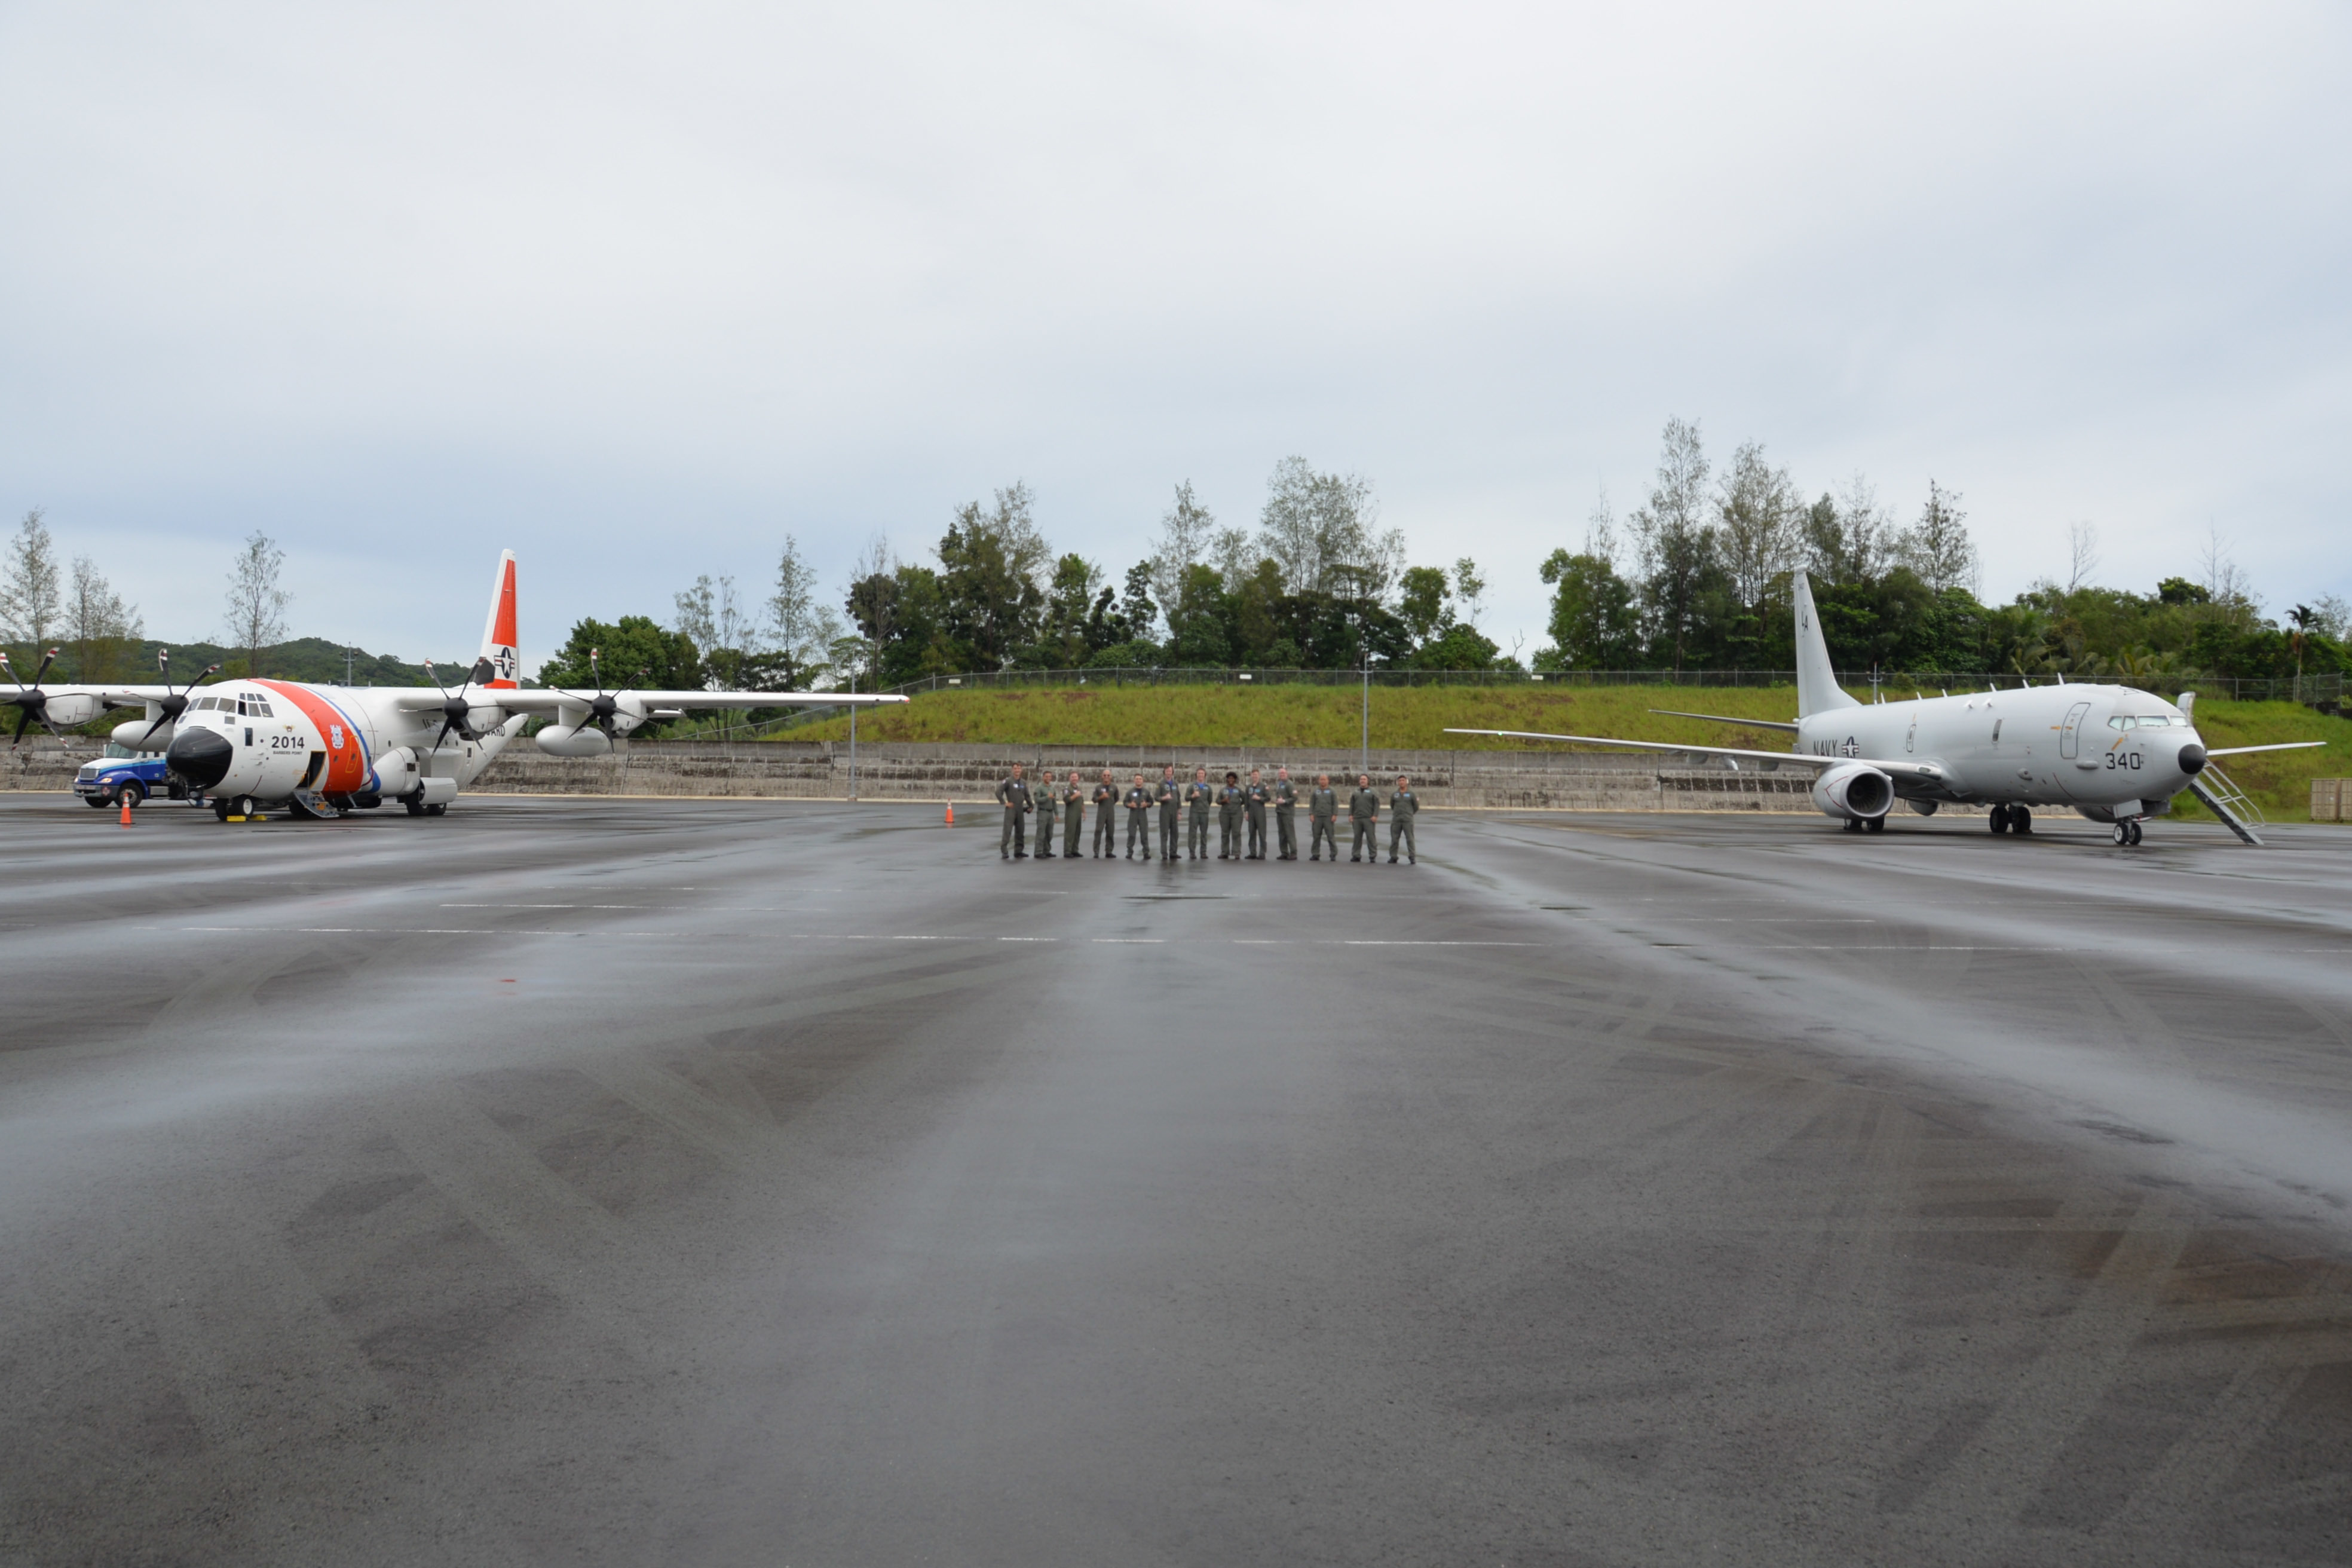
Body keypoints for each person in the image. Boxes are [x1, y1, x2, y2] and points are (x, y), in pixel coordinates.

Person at [994, 764, 1033, 860]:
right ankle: (1004, 851)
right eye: (1015, 768)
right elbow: (998, 792)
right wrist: (1004, 803)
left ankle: (1018, 851)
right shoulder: (1008, 781)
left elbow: (1027, 795)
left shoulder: (1023, 782)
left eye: (1019, 768)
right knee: (1007, 831)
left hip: (1020, 809)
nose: (1017, 770)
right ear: (1012, 770)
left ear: (1021, 770)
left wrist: (1031, 806)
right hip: (1011, 809)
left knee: (1020, 831)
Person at [1388, 774, 1420, 864]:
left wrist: (1409, 814)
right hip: (1396, 820)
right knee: (1394, 839)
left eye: (1403, 780)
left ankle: (1412, 857)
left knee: (1410, 839)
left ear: (1406, 782)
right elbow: (1392, 805)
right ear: (1398, 783)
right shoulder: (1395, 794)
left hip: (1407, 820)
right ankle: (1393, 857)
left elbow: (1416, 807)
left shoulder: (1411, 794)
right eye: (1400, 781)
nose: (1401, 782)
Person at [1349, 773, 1380, 863]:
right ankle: (1356, 855)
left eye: (1364, 779)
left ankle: (1372, 856)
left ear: (1368, 781)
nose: (1363, 781)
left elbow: (1377, 804)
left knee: (1371, 838)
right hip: (1357, 819)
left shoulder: (1373, 792)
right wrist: (1350, 815)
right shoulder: (1355, 792)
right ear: (1359, 781)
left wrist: (1375, 815)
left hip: (1369, 819)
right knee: (1357, 838)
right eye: (1361, 779)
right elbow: (1352, 804)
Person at [1308, 773, 1339, 861]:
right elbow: (1312, 804)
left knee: (1331, 837)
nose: (1323, 781)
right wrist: (1311, 814)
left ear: (1328, 781)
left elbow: (1335, 804)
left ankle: (1333, 854)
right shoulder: (1315, 791)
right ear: (1319, 781)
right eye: (1321, 779)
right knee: (1316, 837)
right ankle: (1315, 854)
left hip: (1328, 817)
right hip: (1317, 817)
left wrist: (1335, 815)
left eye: (1324, 779)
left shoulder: (1332, 791)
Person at [1186, 766, 1214, 859]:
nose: (1201, 775)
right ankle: (1192, 853)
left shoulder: (1208, 788)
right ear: (1196, 775)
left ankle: (1203, 852)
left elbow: (1210, 800)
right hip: (1194, 813)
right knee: (1193, 834)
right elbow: (1186, 798)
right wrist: (1193, 796)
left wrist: (1205, 807)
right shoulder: (1192, 786)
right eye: (1199, 773)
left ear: (1205, 775)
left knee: (1204, 834)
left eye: (1202, 773)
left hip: (1204, 813)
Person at [1124, 773, 1155, 859]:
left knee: (1144, 835)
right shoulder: (1130, 792)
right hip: (1133, 815)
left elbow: (1151, 802)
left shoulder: (1146, 792)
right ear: (1134, 780)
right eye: (1137, 779)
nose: (1138, 780)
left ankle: (1146, 852)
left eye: (1140, 779)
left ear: (1143, 781)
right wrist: (1130, 805)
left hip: (1143, 815)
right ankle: (1130, 852)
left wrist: (1147, 804)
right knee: (1131, 834)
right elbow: (1125, 802)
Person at [1272, 767, 1299, 860]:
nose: (1282, 775)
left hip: (1287, 813)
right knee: (1282, 834)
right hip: (1280, 812)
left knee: (1290, 833)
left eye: (1283, 773)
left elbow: (1295, 797)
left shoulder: (1290, 784)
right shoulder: (1279, 784)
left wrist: (1284, 801)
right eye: (1280, 773)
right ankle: (1284, 852)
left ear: (1287, 774)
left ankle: (1293, 852)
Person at [1156, 764, 1182, 860]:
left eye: (1170, 771)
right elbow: (1156, 797)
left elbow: (1178, 798)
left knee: (1175, 833)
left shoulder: (1175, 784)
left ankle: (1173, 852)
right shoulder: (1161, 784)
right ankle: (1164, 853)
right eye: (1167, 771)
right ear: (1164, 772)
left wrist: (1179, 812)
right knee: (1164, 833)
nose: (1168, 773)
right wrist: (1164, 798)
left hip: (1174, 811)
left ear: (1172, 773)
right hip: (1165, 811)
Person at [1217, 771, 1245, 859]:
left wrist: (1238, 805)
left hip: (1236, 814)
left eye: (1232, 778)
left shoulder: (1238, 790)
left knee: (1236, 833)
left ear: (1235, 780)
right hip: (1225, 814)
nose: (1231, 780)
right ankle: (1225, 852)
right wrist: (1224, 801)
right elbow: (1217, 801)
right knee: (1225, 834)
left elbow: (1245, 799)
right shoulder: (1223, 790)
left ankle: (1236, 852)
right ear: (1227, 780)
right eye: (1229, 778)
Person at [1243, 768, 1270, 860]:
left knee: (1262, 833)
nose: (1255, 776)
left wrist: (1260, 798)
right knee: (1251, 833)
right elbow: (1246, 801)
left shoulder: (1263, 786)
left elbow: (1268, 798)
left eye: (1256, 775)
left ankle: (1262, 853)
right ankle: (1252, 852)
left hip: (1260, 811)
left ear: (1259, 776)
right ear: (1251, 776)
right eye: (1253, 774)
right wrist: (1246, 812)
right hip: (1251, 812)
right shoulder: (1248, 787)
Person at [1092, 768, 1119, 859]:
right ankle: (1096, 852)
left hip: (1111, 811)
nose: (1106, 777)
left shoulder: (1114, 787)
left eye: (1108, 775)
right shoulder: (1098, 787)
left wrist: (1110, 804)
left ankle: (1109, 851)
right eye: (1105, 775)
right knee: (1098, 831)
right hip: (1101, 811)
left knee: (1110, 832)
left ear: (1111, 777)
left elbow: (1117, 798)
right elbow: (1094, 800)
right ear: (1102, 776)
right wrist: (1101, 797)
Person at [1061, 773, 1087, 860]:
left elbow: (1082, 802)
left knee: (1077, 832)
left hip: (1078, 813)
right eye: (1072, 777)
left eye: (1076, 777)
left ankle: (1075, 850)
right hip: (1071, 813)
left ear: (1078, 778)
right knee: (1070, 832)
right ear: (1070, 778)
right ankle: (1067, 851)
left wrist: (1084, 812)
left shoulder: (1079, 789)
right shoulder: (1067, 789)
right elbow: (1067, 800)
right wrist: (1075, 796)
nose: (1074, 779)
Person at [1034, 769, 1058, 859]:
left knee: (1049, 833)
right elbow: (1037, 800)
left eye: (1050, 777)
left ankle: (1047, 850)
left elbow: (1054, 802)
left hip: (1050, 813)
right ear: (1043, 777)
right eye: (1046, 776)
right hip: (1042, 812)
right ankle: (1038, 852)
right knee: (1041, 833)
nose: (1048, 778)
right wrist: (1047, 797)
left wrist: (1056, 813)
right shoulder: (1039, 788)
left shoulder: (1052, 788)